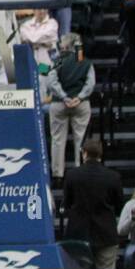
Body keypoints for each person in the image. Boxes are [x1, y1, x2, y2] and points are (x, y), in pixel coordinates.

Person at [62, 138, 123, 269]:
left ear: (84, 153)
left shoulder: (72, 175)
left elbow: (66, 204)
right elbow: (119, 206)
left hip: (78, 234)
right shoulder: (113, 176)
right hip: (106, 234)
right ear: (100, 154)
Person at [48, 33, 95, 183]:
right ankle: (79, 170)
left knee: (57, 139)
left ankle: (58, 175)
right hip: (81, 104)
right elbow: (91, 83)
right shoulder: (86, 62)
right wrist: (79, 97)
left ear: (65, 46)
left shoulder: (57, 61)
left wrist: (64, 97)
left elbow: (51, 81)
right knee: (80, 138)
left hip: (59, 104)